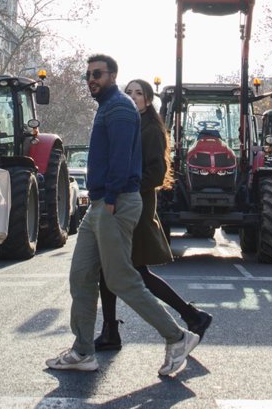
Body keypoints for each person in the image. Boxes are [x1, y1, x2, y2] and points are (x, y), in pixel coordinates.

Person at [45, 54, 200, 376]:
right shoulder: (108, 107)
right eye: (88, 75)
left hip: (114, 203)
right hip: (101, 204)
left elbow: (120, 157)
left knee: (120, 279)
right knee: (81, 276)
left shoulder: (117, 108)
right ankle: (82, 351)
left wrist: (112, 198)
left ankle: (177, 337)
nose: (91, 79)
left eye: (97, 74)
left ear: (112, 76)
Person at [95, 78, 212, 351]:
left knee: (133, 270)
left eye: (139, 93)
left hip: (136, 204)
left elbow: (157, 174)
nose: (133, 96)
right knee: (113, 268)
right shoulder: (129, 125)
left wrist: (124, 190)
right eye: (128, 92)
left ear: (148, 100)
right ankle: (111, 330)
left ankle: (191, 316)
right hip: (125, 202)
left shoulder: (151, 130)